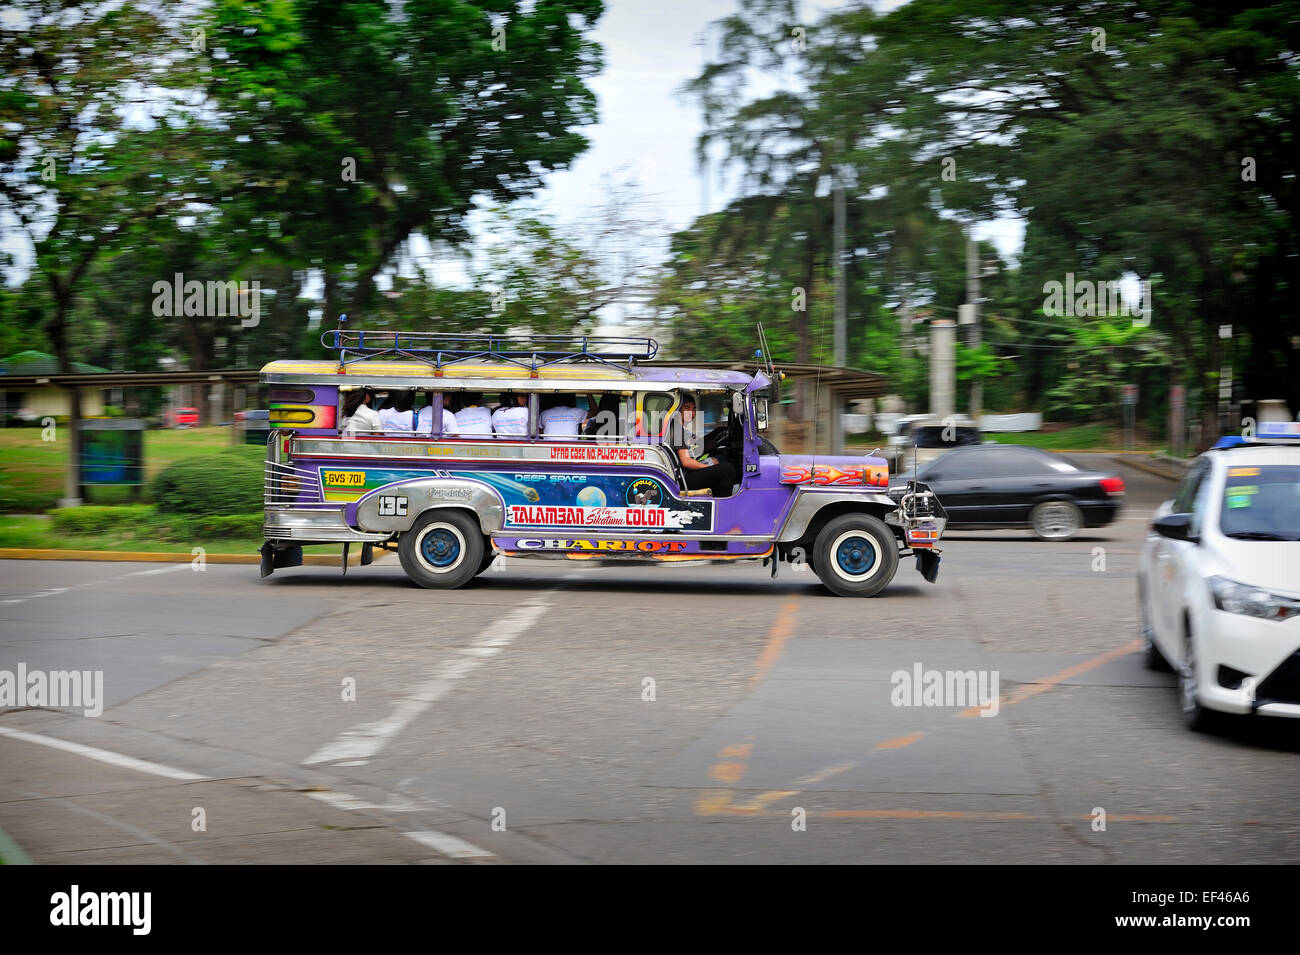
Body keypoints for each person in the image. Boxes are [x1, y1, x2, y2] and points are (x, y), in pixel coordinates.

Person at [669, 393, 736, 496]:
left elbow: (694, 445)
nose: (691, 412)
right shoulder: (677, 430)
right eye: (687, 408)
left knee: (720, 459)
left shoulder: (680, 429)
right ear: (677, 410)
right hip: (684, 478)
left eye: (693, 409)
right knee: (728, 470)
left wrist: (715, 434)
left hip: (685, 473)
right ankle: (722, 506)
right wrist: (708, 468)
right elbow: (686, 462)